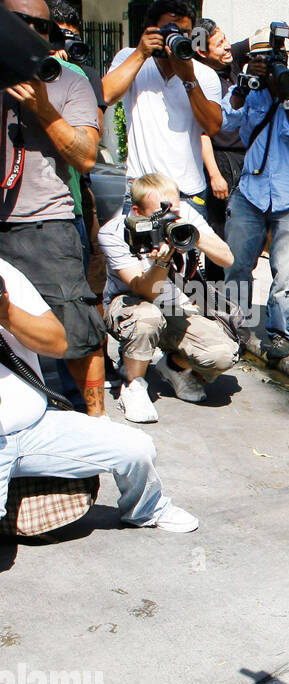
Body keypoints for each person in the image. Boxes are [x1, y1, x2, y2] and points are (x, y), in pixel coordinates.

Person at [1, 256, 198, 532]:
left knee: (137, 449)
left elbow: (57, 343)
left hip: (36, 426)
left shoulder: (4, 273)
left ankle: (146, 509)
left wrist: (5, 311)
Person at [0, 0, 105, 416]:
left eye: (40, 26)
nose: (31, 32)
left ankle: (93, 428)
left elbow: (85, 158)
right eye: (18, 23)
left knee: (77, 333)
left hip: (46, 224)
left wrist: (42, 106)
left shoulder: (67, 80)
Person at [220, 26, 289, 361]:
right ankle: (235, 327)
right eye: (258, 58)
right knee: (237, 266)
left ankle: (280, 333)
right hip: (250, 192)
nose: (265, 65)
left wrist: (287, 95)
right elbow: (224, 122)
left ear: (285, 58)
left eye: (271, 58)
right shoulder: (250, 90)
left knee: (286, 274)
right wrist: (242, 87)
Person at [98, 173, 237, 423]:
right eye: (161, 215)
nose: (170, 218)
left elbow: (227, 259)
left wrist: (188, 232)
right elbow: (144, 291)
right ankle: (134, 385)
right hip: (130, 304)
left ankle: (173, 366)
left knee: (223, 353)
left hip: (175, 307)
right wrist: (161, 261)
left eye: (174, 210)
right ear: (138, 210)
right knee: (147, 317)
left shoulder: (185, 215)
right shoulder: (115, 231)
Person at [102, 0, 223, 215]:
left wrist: (189, 79)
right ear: (152, 31)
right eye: (169, 31)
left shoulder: (203, 74)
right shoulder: (130, 58)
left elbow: (213, 127)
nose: (177, 38)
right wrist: (141, 53)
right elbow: (106, 95)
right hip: (141, 190)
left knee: (191, 249)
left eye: (185, 32)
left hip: (188, 192)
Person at [195, 17, 243, 281]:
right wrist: (214, 174)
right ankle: (215, 299)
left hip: (244, 159)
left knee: (243, 233)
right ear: (202, 52)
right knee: (219, 231)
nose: (227, 47)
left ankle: (235, 295)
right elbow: (202, 132)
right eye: (219, 44)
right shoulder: (201, 78)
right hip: (219, 160)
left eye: (226, 39)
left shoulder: (231, 63)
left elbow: (251, 44)